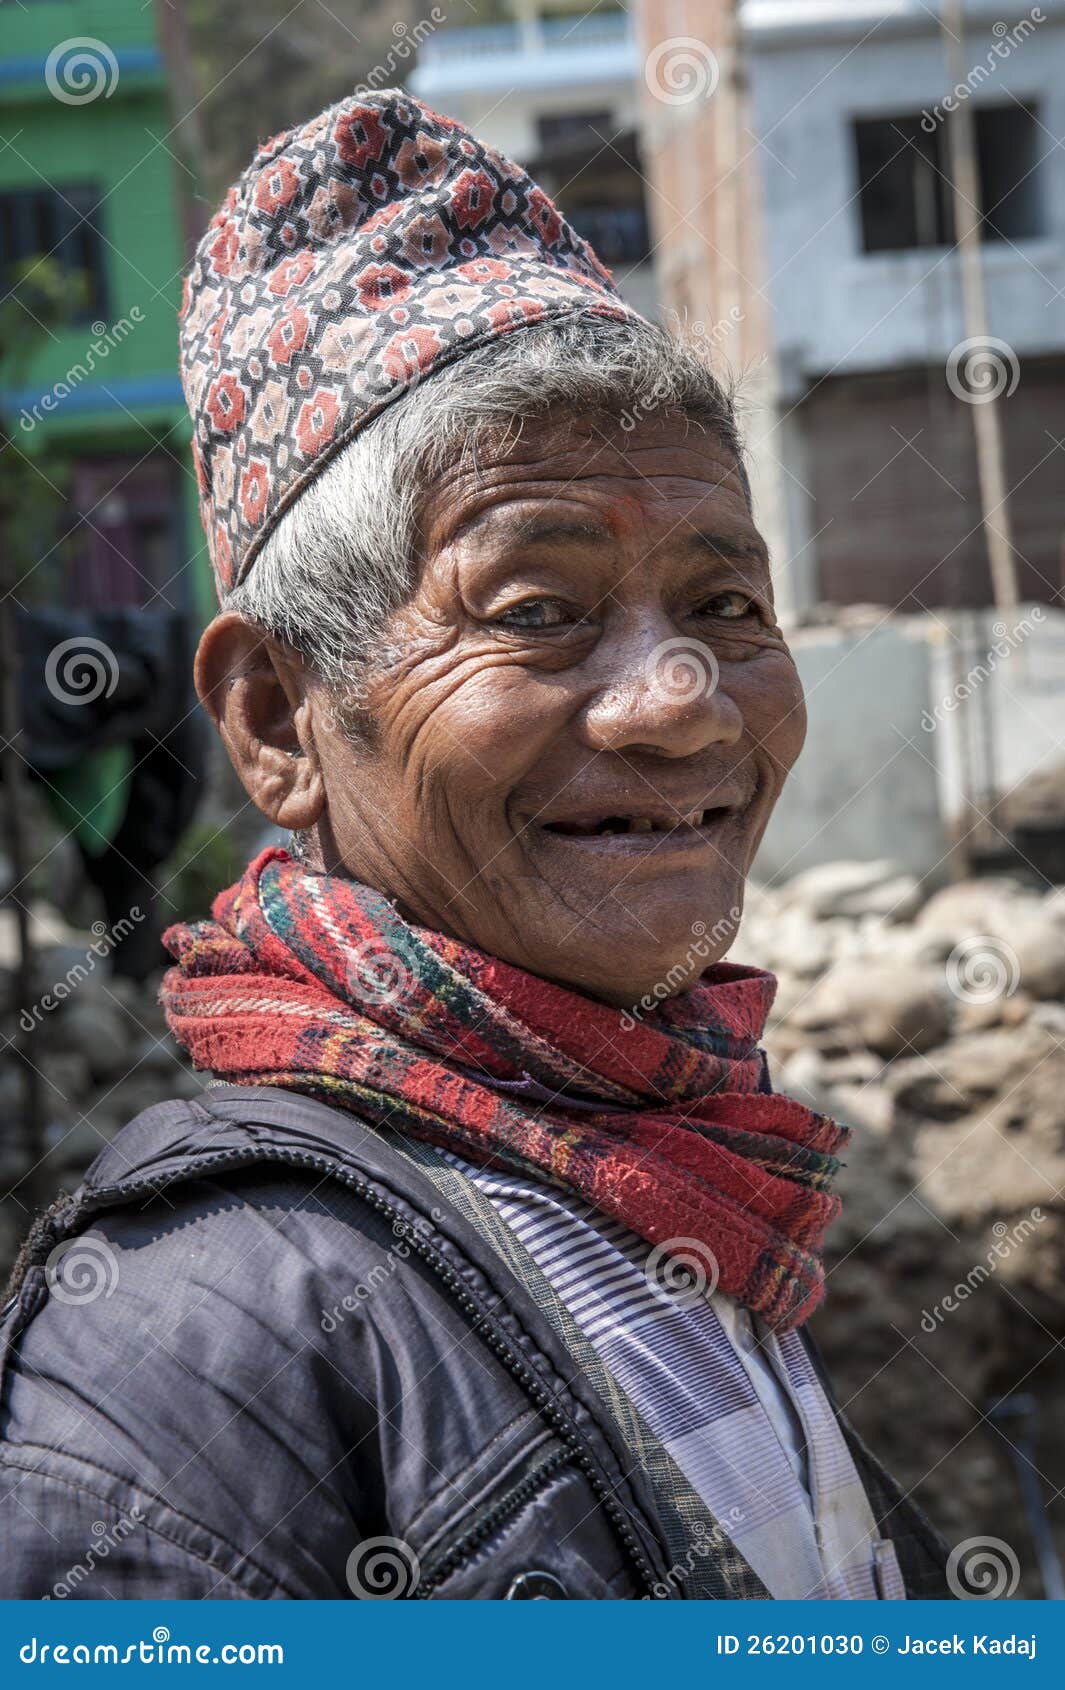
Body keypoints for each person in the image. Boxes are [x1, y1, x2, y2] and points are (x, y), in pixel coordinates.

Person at [0, 89, 951, 1601]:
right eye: (534, 611)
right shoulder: (196, 1337)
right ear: (272, 719)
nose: (680, 703)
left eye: (724, 605)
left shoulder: (685, 1163)